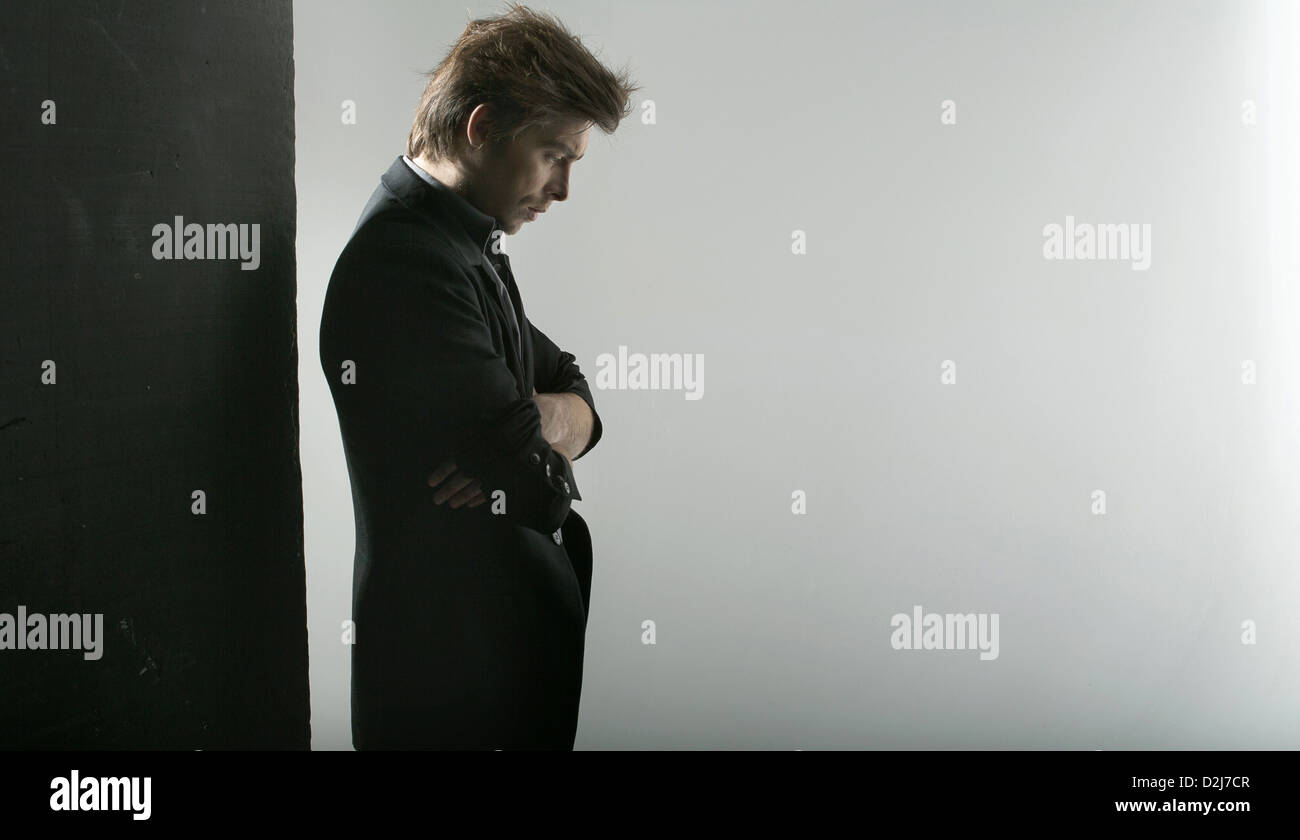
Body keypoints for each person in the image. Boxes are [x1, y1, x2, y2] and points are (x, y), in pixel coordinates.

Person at [319, 4, 637, 749]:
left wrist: (537, 421)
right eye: (555, 155)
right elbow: (533, 479)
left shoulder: (456, 243)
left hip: (486, 669)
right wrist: (535, 437)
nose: (562, 191)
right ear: (482, 127)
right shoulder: (407, 259)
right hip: (449, 680)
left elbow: (577, 395)